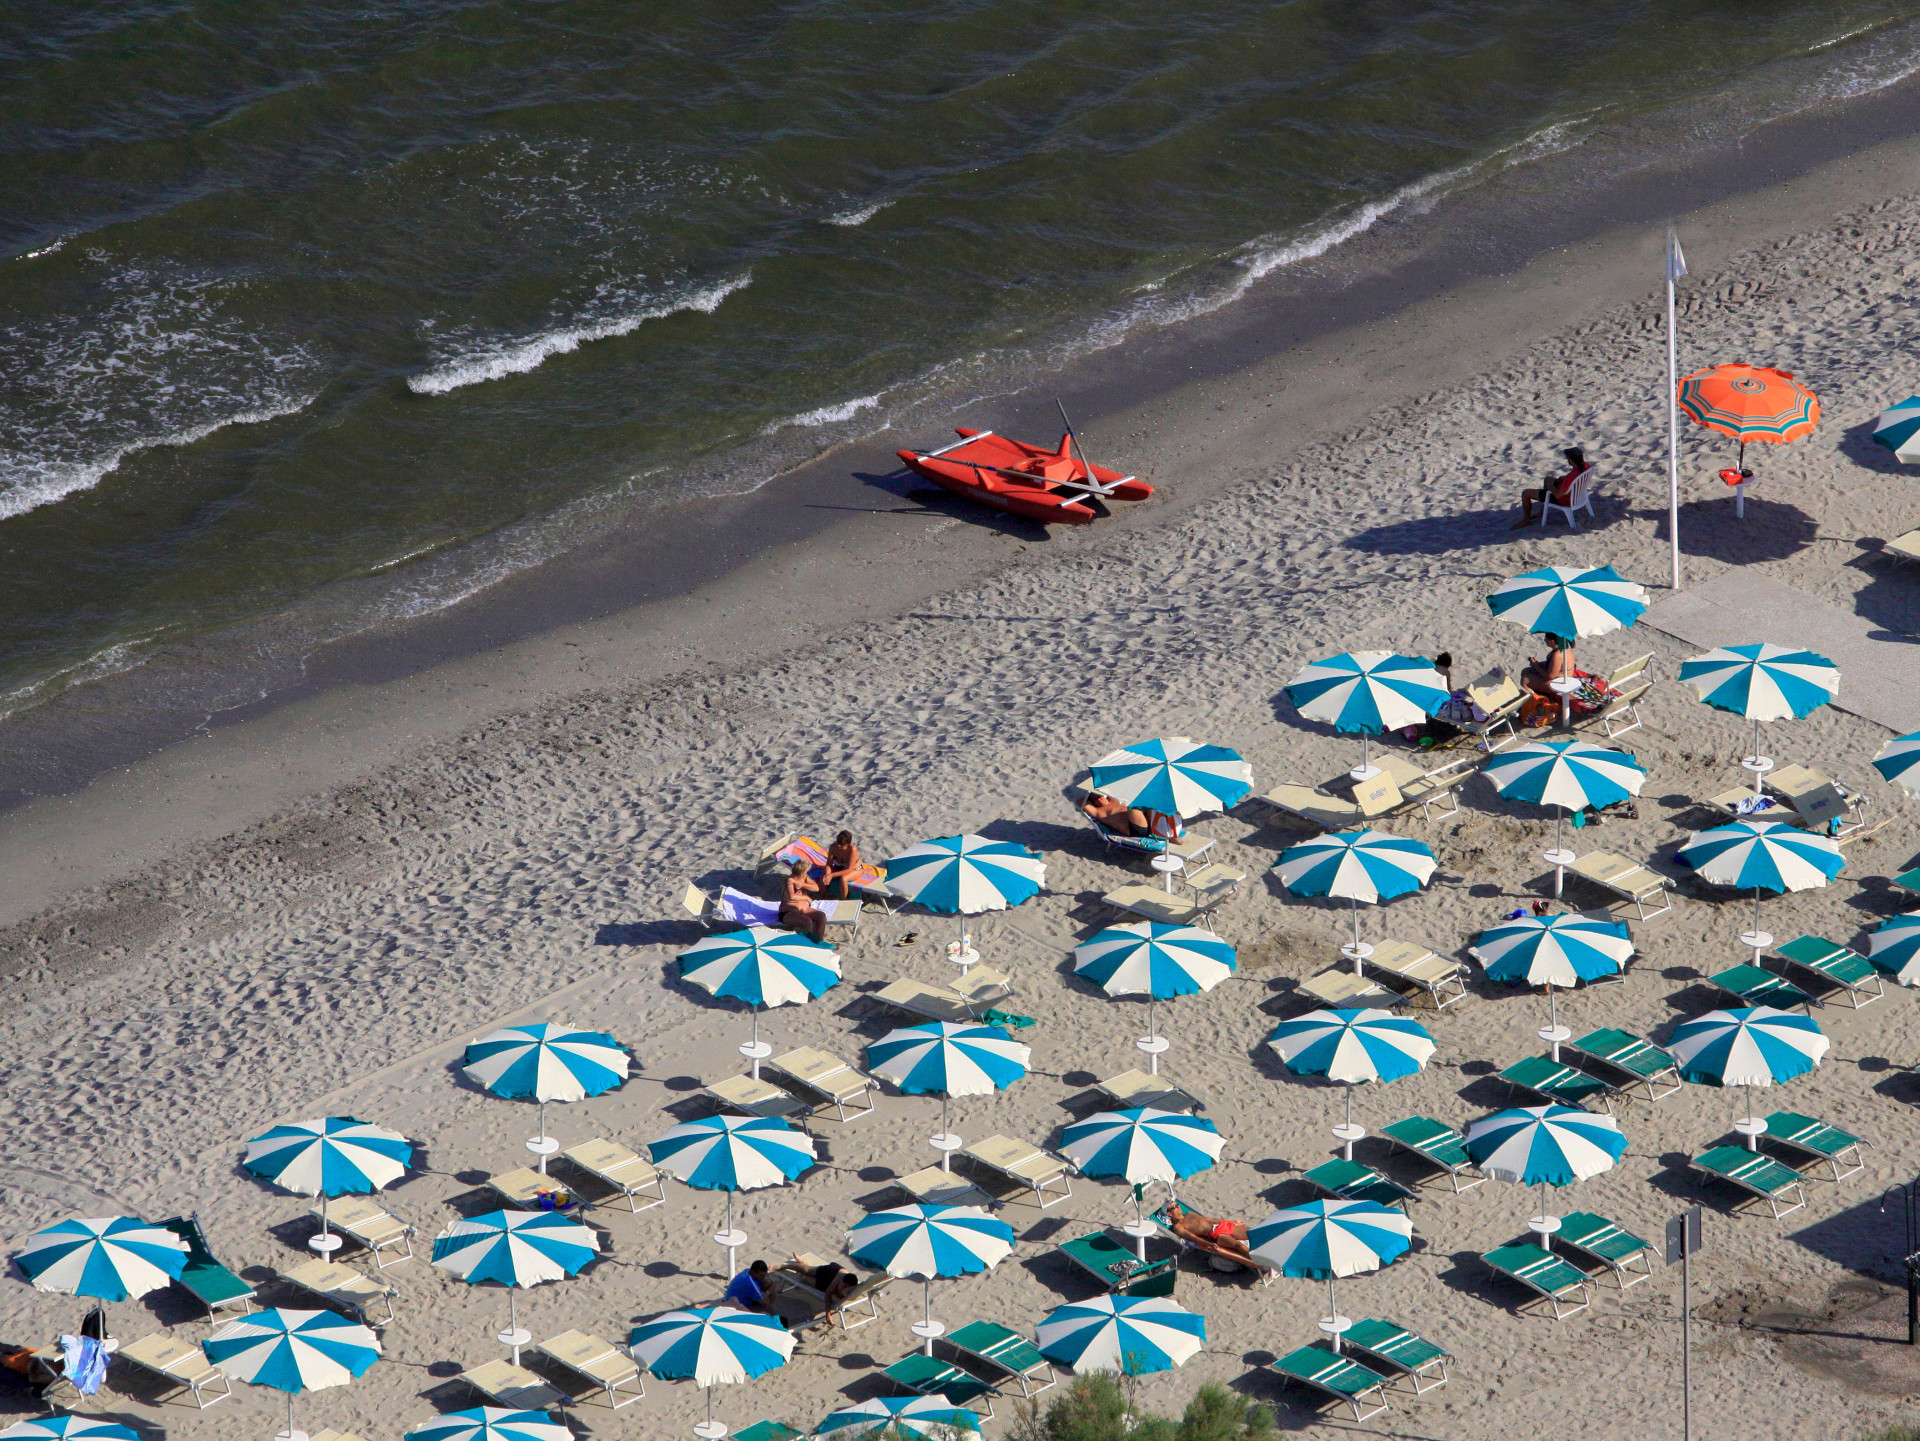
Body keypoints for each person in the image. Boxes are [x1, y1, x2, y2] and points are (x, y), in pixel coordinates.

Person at [1158, 1199, 1256, 1265]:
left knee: (1252, 1233)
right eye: (1174, 1207)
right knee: (1239, 1246)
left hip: (1222, 1225)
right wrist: (1209, 1244)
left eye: (1177, 1205)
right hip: (1216, 1234)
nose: (1178, 1207)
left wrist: (1233, 1222)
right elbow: (1194, 1238)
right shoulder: (1178, 1227)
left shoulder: (1189, 1213)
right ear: (1168, 1213)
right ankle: (1262, 1262)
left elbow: (1210, 1219)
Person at [1515, 446, 1590, 526]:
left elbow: (1558, 495)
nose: (1567, 459)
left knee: (1526, 493)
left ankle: (1526, 519)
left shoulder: (1571, 477)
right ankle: (1543, 511)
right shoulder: (1585, 466)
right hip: (1577, 495)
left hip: (1565, 499)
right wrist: (1564, 479)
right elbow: (1575, 480)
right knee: (1548, 479)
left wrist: (1551, 487)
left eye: (1567, 458)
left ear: (1571, 460)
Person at [780, 860, 831, 945]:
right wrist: (806, 897)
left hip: (804, 910)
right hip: (789, 912)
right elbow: (791, 896)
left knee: (821, 916)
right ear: (802, 872)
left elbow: (816, 888)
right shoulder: (790, 880)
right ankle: (808, 944)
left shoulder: (805, 877)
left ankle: (819, 941)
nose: (806, 873)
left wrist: (803, 885)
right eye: (806, 871)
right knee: (807, 921)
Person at [723, 1260, 789, 1326]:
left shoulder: (747, 1271)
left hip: (730, 1302)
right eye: (761, 1275)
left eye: (764, 1276)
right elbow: (767, 1302)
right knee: (768, 1312)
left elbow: (766, 1284)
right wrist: (770, 1291)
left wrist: (768, 1288)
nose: (763, 1278)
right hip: (736, 1310)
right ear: (753, 1272)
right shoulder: (750, 1284)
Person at [1082, 791, 1151, 838]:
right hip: (1135, 830)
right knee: (1132, 805)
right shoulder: (1098, 812)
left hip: (1145, 820)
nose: (1099, 799)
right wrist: (1088, 796)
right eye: (1095, 799)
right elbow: (1081, 803)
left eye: (1099, 796)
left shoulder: (1113, 799)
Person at [820, 831, 861, 900]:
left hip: (854, 868)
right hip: (839, 867)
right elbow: (829, 864)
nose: (839, 846)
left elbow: (849, 869)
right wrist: (828, 875)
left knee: (843, 878)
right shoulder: (833, 847)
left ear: (848, 844)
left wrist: (832, 875)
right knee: (823, 876)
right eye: (838, 843)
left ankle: (844, 899)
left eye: (842, 845)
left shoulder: (852, 849)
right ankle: (823, 897)